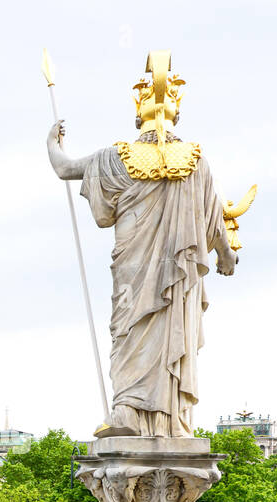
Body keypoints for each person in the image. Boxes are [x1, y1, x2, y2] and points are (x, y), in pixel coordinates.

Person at [47, 52, 238, 438]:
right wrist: (226, 255)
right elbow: (213, 220)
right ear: (175, 115)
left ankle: (129, 413)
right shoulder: (195, 162)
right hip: (176, 278)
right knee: (170, 333)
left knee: (130, 332)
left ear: (140, 116)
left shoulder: (115, 158)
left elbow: (65, 167)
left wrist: (51, 141)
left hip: (133, 275)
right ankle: (172, 420)